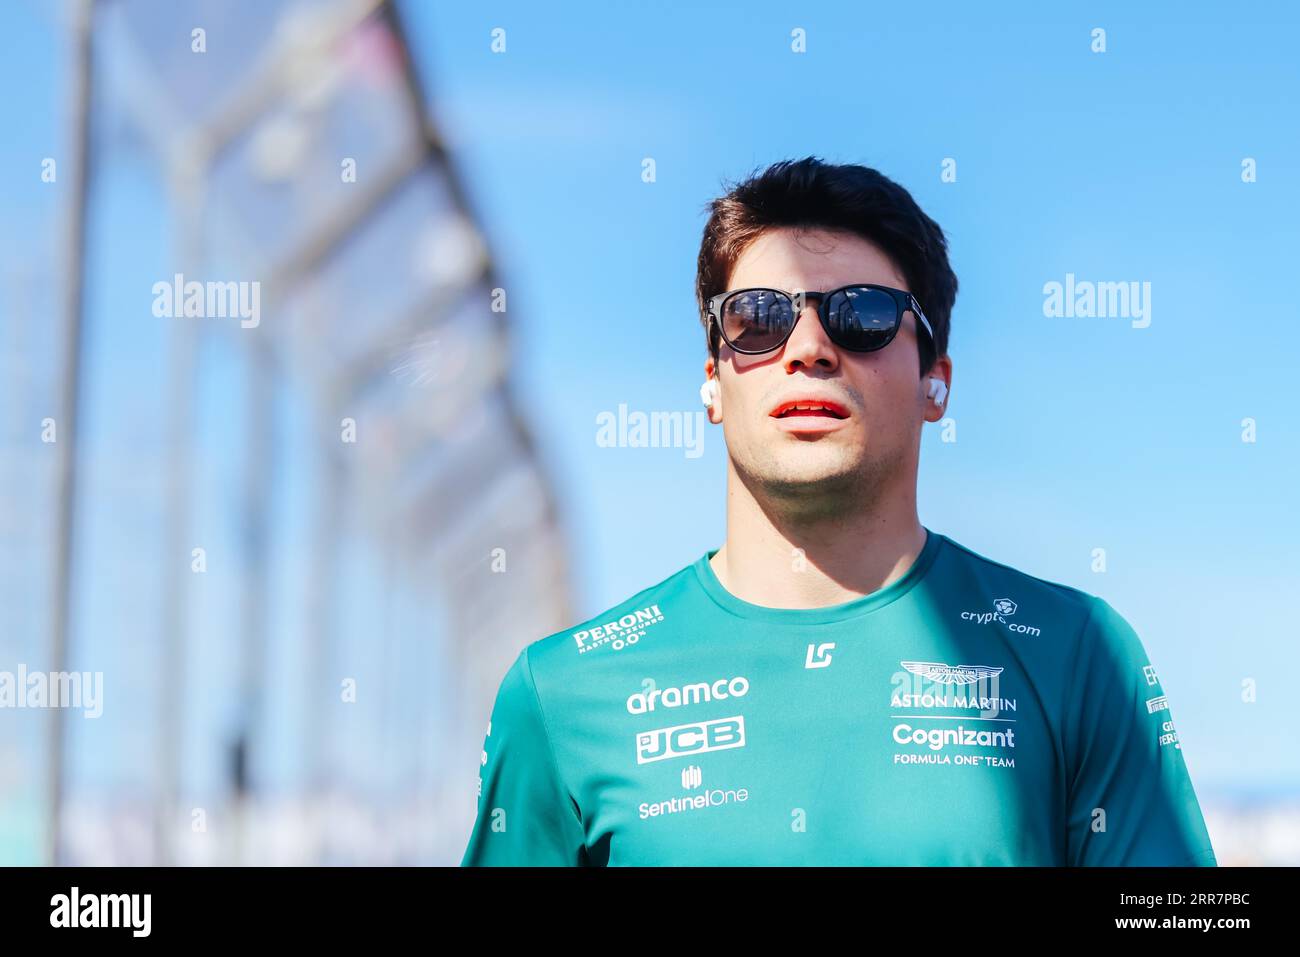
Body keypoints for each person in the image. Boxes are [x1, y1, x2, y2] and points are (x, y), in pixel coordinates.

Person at [460, 157, 1217, 866]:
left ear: (935, 381)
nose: (810, 347)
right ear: (714, 383)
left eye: (863, 315)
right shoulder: (562, 694)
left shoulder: (1076, 654)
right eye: (758, 318)